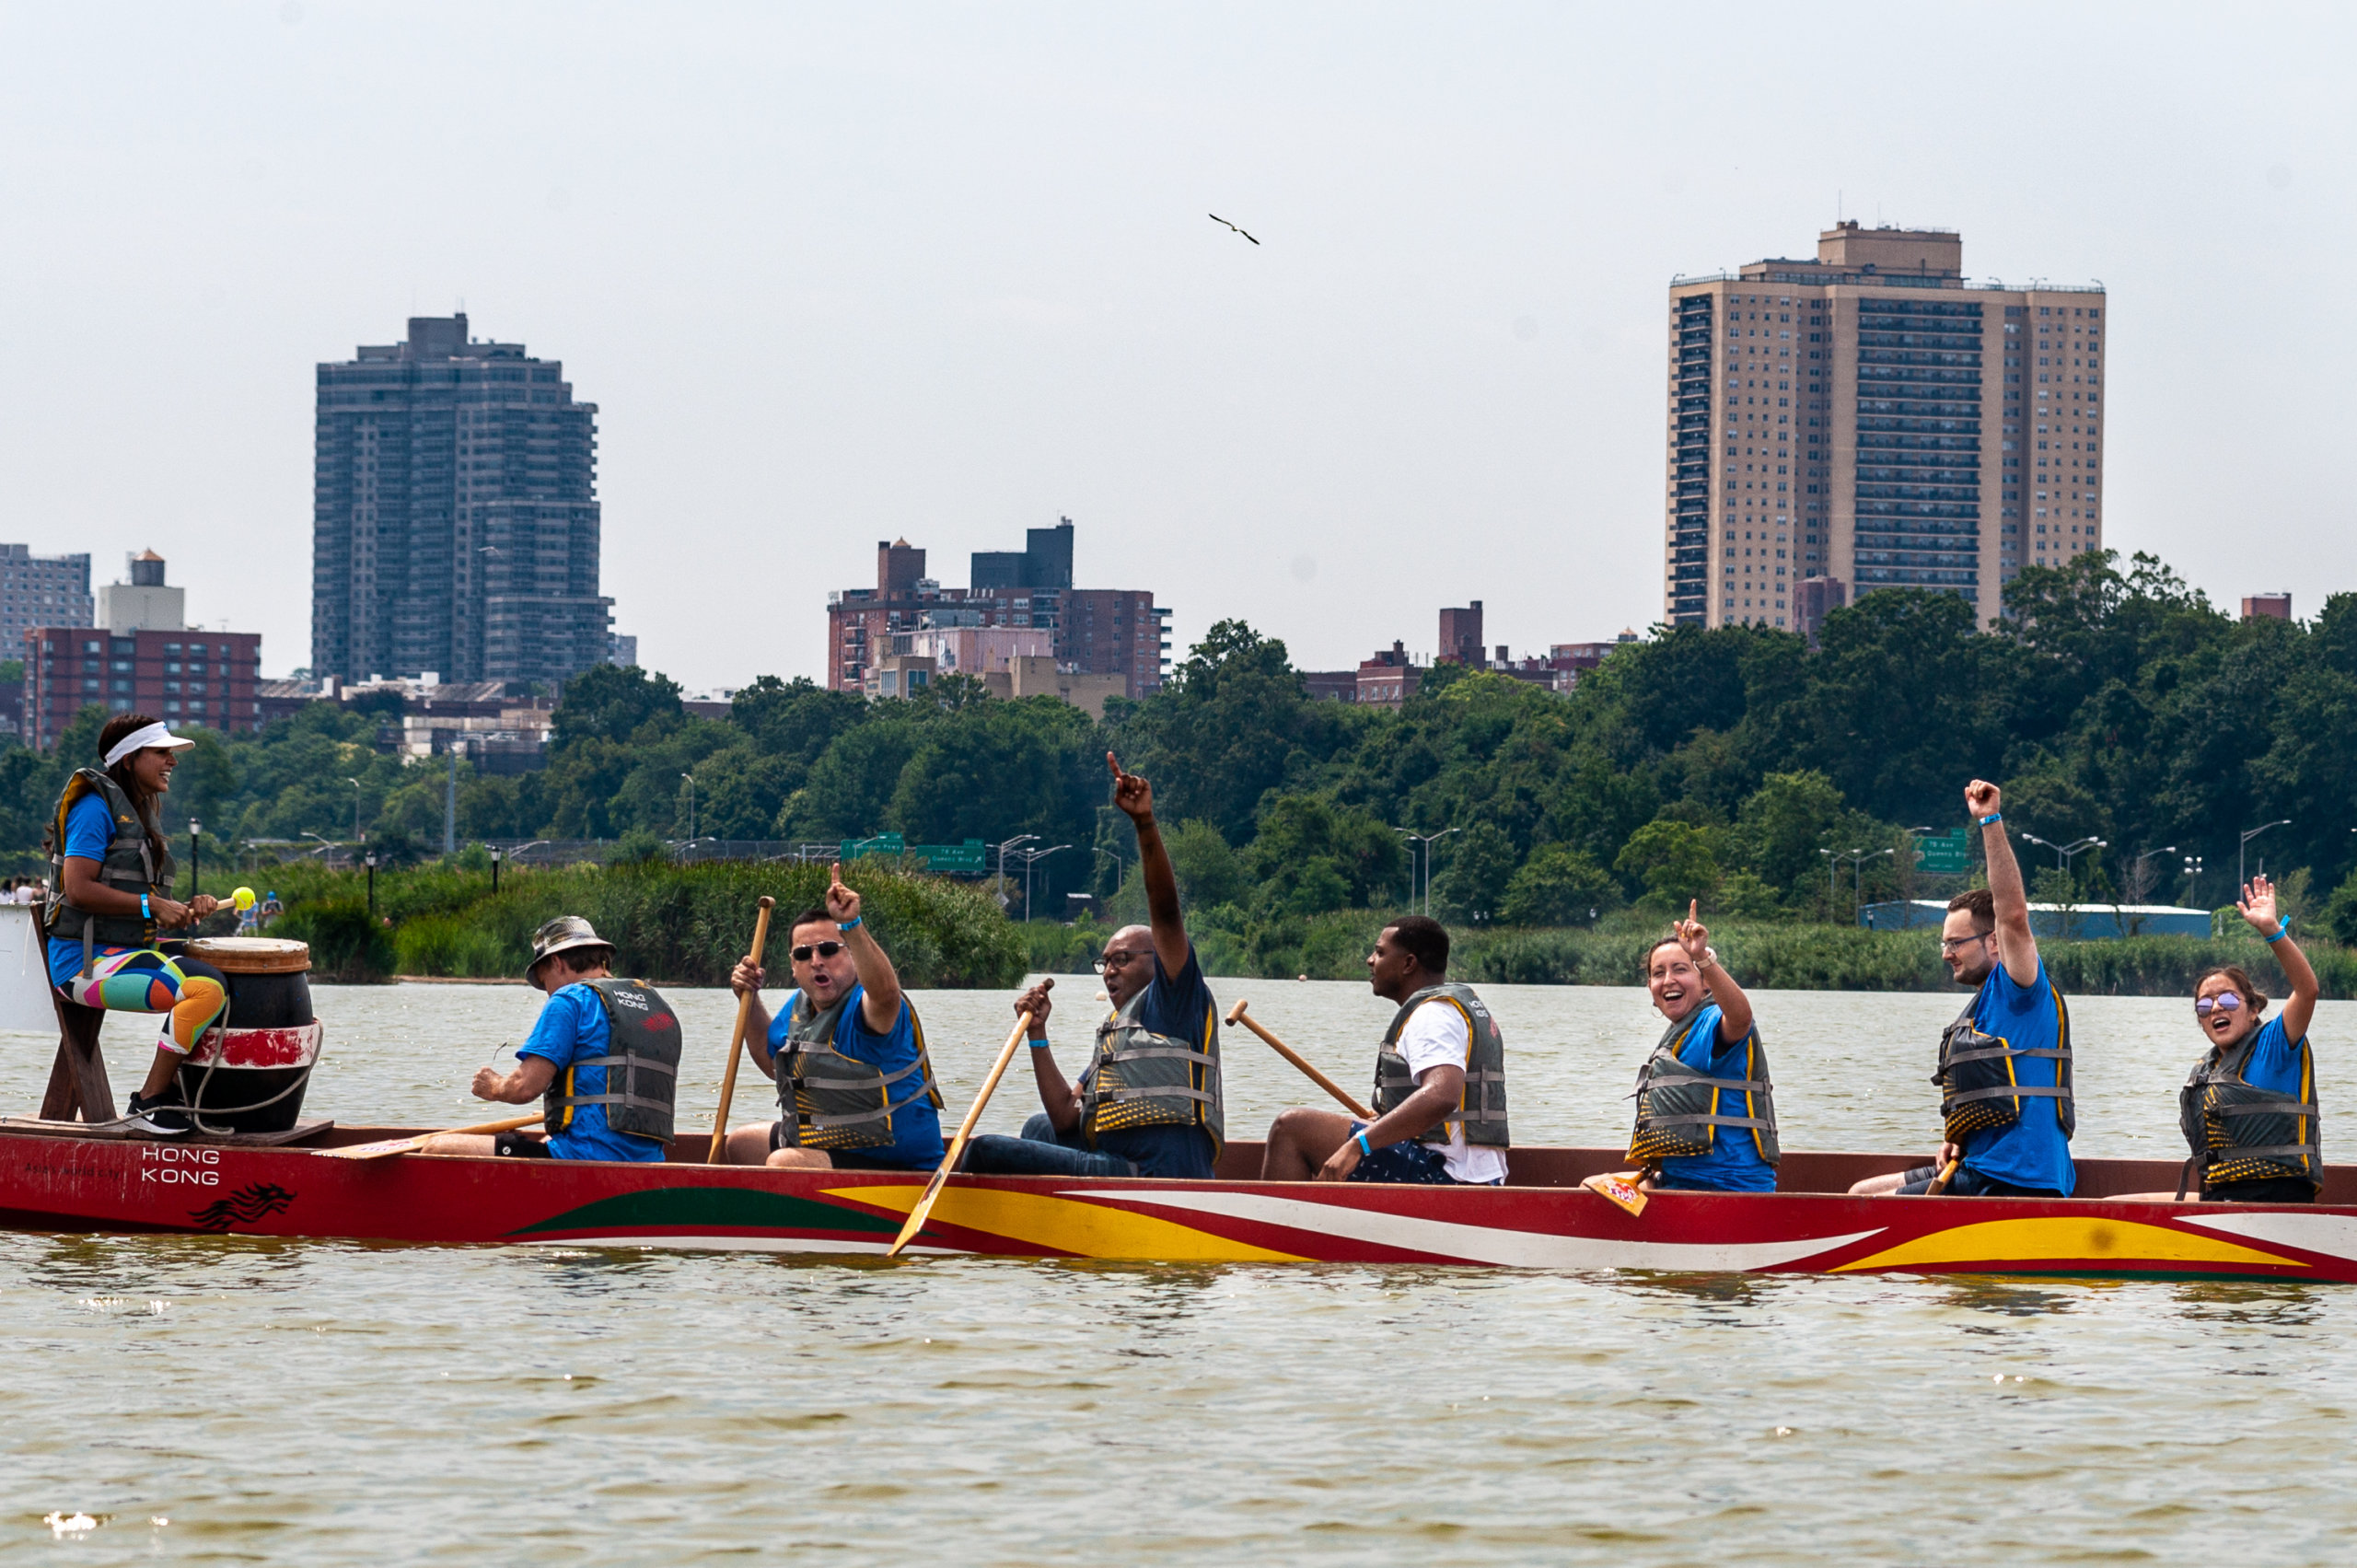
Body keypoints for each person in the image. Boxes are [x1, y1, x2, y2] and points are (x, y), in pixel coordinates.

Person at [960, 753, 1224, 1179]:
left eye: (1122, 960)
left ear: (1158, 961)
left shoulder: (1178, 997)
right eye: (1105, 962)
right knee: (1039, 1127)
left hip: (1158, 1176)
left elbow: (1167, 912)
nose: (1109, 971)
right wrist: (1038, 1034)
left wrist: (1144, 825)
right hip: (1119, 1161)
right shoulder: (1120, 1030)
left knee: (985, 1152)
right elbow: (1066, 1116)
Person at [1852, 779, 2073, 1198]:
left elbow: (2012, 913)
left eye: (1955, 943)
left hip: (2013, 1182)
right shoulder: (1981, 1006)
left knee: (1870, 1207)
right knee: (1859, 1193)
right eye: (1944, 943)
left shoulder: (2021, 988)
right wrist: (1960, 1136)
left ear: (1993, 942)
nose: (1946, 954)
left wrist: (1989, 820)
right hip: (1977, 1165)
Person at [41, 714, 226, 1136]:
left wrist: (181, 907)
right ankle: (150, 1102)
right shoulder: (92, 809)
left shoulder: (139, 810)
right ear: (129, 758)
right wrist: (152, 905)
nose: (171, 761)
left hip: (117, 953)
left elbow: (139, 902)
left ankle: (182, 1099)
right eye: (161, 753)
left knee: (225, 977)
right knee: (205, 989)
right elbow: (78, 889)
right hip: (81, 965)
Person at [2106, 877, 2321, 1204]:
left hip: (2274, 1200)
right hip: (2222, 1198)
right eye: (2205, 1005)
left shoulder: (2275, 1045)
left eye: (2229, 1000)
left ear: (2253, 1009)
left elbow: (2308, 990)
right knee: (2114, 1206)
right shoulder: (2208, 1070)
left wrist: (2271, 931)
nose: (2216, 1007)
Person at [719, 865, 946, 1171]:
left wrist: (851, 924)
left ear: (851, 953)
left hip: (896, 1160)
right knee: (741, 1143)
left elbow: (886, 994)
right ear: (792, 966)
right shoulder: (797, 1009)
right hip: (827, 1146)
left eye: (828, 950)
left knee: (784, 1163)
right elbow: (771, 1064)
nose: (816, 961)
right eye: (803, 954)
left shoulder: (869, 1005)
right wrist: (748, 998)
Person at [1259, 915, 1508, 1184]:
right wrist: (1380, 1124)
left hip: (1447, 1176)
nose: (1370, 960)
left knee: (1291, 1127)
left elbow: (1441, 1095)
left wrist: (1358, 1146)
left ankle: (1278, 1226)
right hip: (1475, 1176)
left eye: (1380, 952)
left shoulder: (1431, 1016)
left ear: (1409, 964)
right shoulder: (1447, 1008)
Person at [421, 916, 677, 1161]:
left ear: (557, 963)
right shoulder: (655, 1006)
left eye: (546, 983)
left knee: (437, 1147)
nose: (548, 993)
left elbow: (525, 1087)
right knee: (544, 1141)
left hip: (583, 1159)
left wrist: (494, 1086)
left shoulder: (570, 999)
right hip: (646, 1161)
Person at [1621, 900, 1777, 1192]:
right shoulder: (1680, 1032)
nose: (1668, 980)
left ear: (1705, 983)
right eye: (1658, 973)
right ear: (1650, 987)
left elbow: (1741, 1018)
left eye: (1680, 969)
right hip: (1682, 1182)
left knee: (1590, 1189)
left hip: (1727, 1190)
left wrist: (1703, 957)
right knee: (1600, 1185)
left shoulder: (1710, 1022)